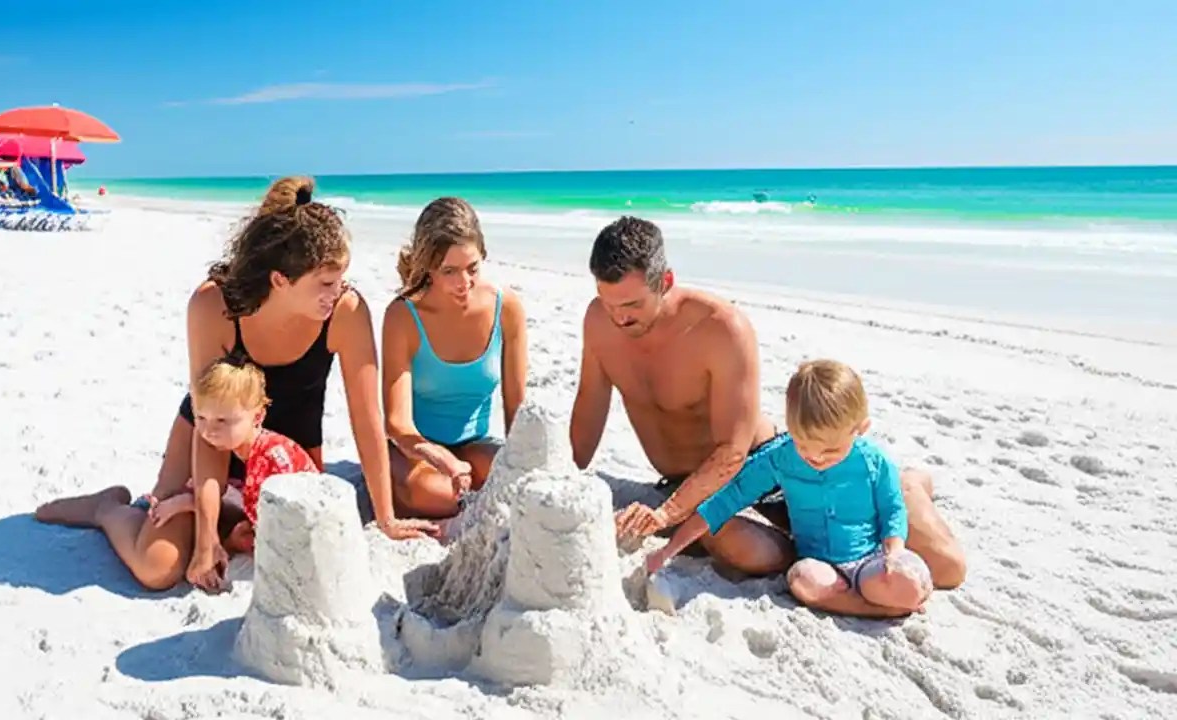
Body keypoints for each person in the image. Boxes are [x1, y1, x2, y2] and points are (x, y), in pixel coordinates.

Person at [35, 176, 438, 594]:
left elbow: (367, 420)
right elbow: (207, 421)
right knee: (158, 567)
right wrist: (205, 540)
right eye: (325, 283)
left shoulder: (346, 311)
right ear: (281, 279)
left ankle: (222, 517)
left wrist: (387, 517)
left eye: (340, 280)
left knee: (285, 545)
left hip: (285, 458)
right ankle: (108, 509)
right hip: (209, 435)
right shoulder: (214, 306)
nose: (338, 293)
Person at [569, 215, 967, 589]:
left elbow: (732, 451)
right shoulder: (598, 322)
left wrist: (666, 513)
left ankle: (906, 483)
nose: (619, 318)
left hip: (775, 469)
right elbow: (589, 405)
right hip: (693, 487)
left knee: (946, 568)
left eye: (632, 305)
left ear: (666, 281)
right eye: (608, 303)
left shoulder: (720, 328)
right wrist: (558, 472)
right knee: (755, 555)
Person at [646, 359, 934, 618]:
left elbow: (892, 509)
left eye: (831, 450)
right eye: (803, 445)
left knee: (909, 580)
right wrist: (668, 551)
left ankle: (891, 598)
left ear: (860, 428)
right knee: (802, 580)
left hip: (870, 559)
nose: (816, 458)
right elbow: (723, 501)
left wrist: (893, 553)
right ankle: (875, 610)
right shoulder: (781, 457)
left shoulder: (874, 460)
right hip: (821, 566)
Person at [381, 197, 528, 518]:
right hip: (415, 450)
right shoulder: (403, 315)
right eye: (449, 271)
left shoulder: (507, 308)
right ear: (427, 267)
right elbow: (396, 422)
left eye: (472, 268)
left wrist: (518, 462)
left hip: (475, 445)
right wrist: (440, 458)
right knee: (432, 494)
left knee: (514, 479)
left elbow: (516, 409)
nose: (464, 283)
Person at [145, 355, 320, 555]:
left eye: (222, 420)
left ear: (258, 416)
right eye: (201, 418)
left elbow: (272, 527)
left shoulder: (268, 462)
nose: (209, 431)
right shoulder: (245, 447)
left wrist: (186, 504)